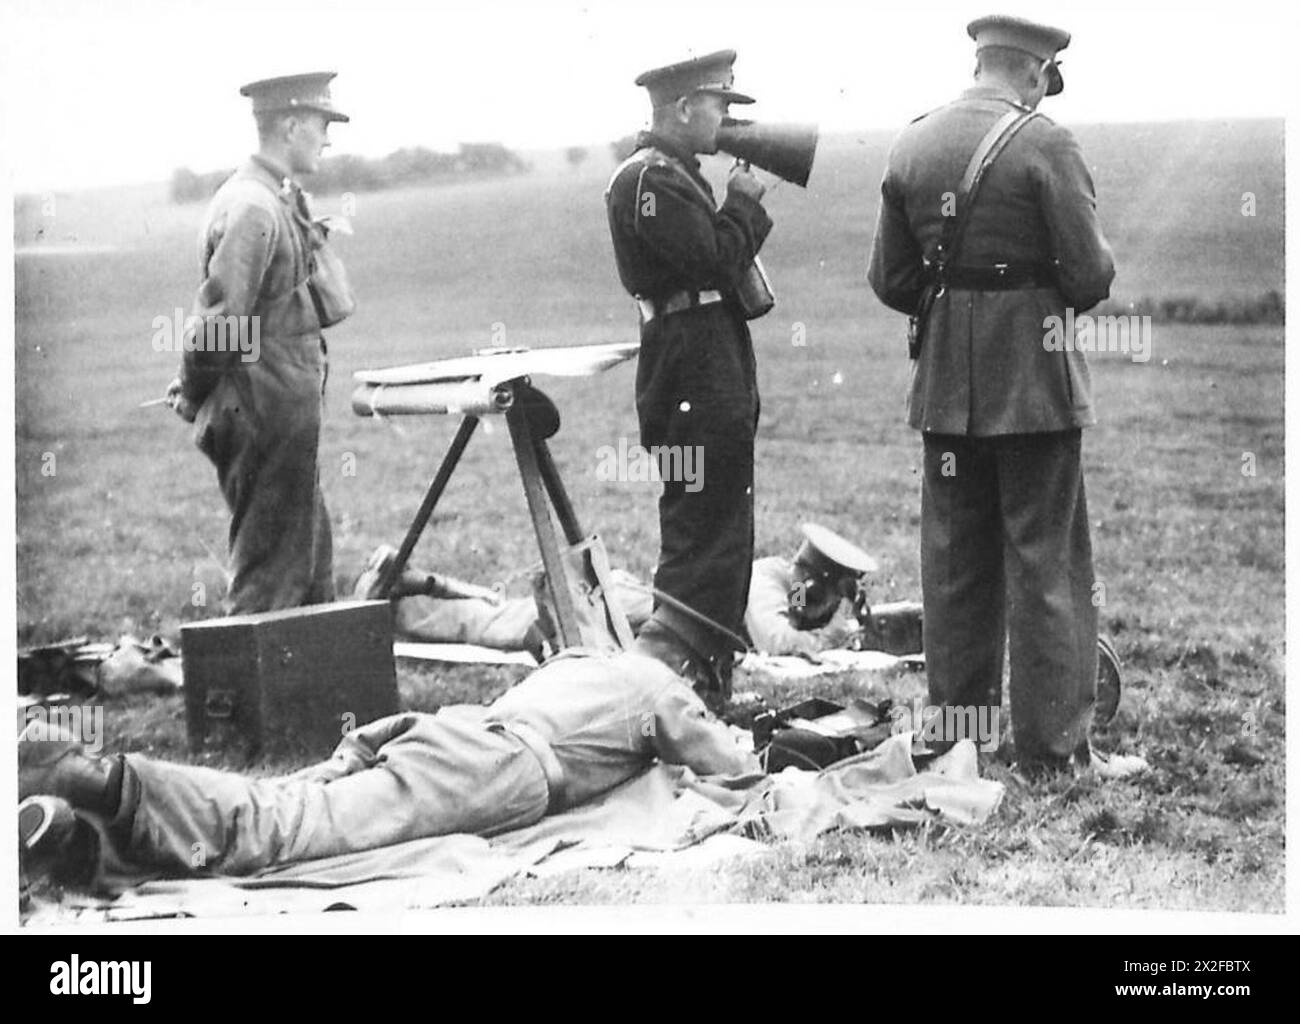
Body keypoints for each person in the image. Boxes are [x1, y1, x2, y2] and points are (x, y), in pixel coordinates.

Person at [867, 16, 1144, 778]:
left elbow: (890, 280)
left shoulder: (912, 142)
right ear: (1034, 72)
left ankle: (961, 738)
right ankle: (1054, 755)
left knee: (955, 563)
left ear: (980, 60)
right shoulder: (1047, 142)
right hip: (1034, 382)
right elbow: (1090, 276)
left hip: (948, 385)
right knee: (1046, 563)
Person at [18, 651, 759, 882]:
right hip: (500, 767)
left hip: (450, 732)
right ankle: (103, 778)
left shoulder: (580, 657)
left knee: (287, 804)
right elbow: (728, 769)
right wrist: (745, 745)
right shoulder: (662, 685)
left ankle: (88, 840)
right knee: (290, 833)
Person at [605, 50, 774, 697]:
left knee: (721, 524)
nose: (726, 119)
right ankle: (673, 679)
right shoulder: (649, 181)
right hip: (692, 374)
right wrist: (743, 205)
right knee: (702, 529)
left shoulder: (667, 175)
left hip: (699, 365)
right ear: (681, 108)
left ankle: (704, 673)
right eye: (718, 105)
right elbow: (713, 261)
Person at [165, 72, 352, 614]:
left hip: (281, 408)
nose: (328, 137)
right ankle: (239, 696)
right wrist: (194, 387)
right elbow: (224, 325)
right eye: (321, 124)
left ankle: (320, 694)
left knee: (309, 570)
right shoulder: (253, 207)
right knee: (269, 579)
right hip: (262, 408)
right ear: (291, 125)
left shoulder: (272, 197)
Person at [354, 522, 877, 661]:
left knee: (507, 612)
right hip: (630, 609)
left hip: (633, 605)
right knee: (505, 626)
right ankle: (392, 613)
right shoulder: (764, 579)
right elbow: (775, 640)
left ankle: (419, 584)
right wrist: (831, 636)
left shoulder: (774, 581)